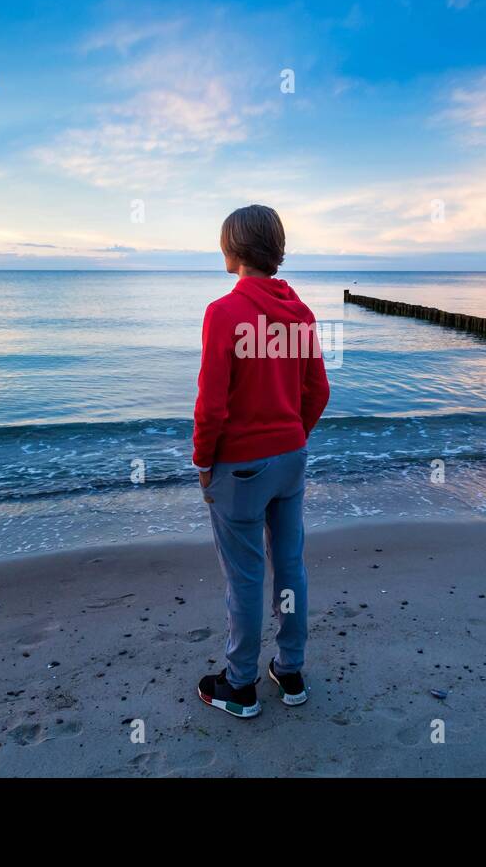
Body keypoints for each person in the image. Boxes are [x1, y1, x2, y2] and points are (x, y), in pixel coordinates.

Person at [192, 204, 330, 718]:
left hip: (242, 468)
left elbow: (212, 404)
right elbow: (318, 390)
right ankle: (290, 671)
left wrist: (204, 462)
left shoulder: (224, 313)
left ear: (235, 250)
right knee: (289, 564)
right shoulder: (300, 313)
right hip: (290, 459)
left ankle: (240, 683)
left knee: (246, 576)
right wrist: (294, 436)